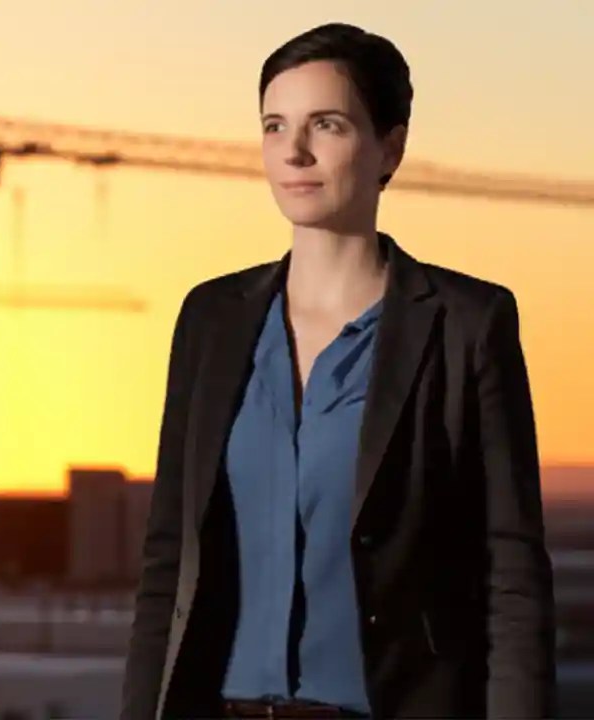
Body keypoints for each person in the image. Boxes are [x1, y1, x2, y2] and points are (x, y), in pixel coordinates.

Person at [120, 22, 556, 720]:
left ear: (391, 145)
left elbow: (512, 575)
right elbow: (168, 559)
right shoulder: (211, 319)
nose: (293, 152)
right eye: (273, 125)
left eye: (326, 124)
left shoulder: (468, 323)